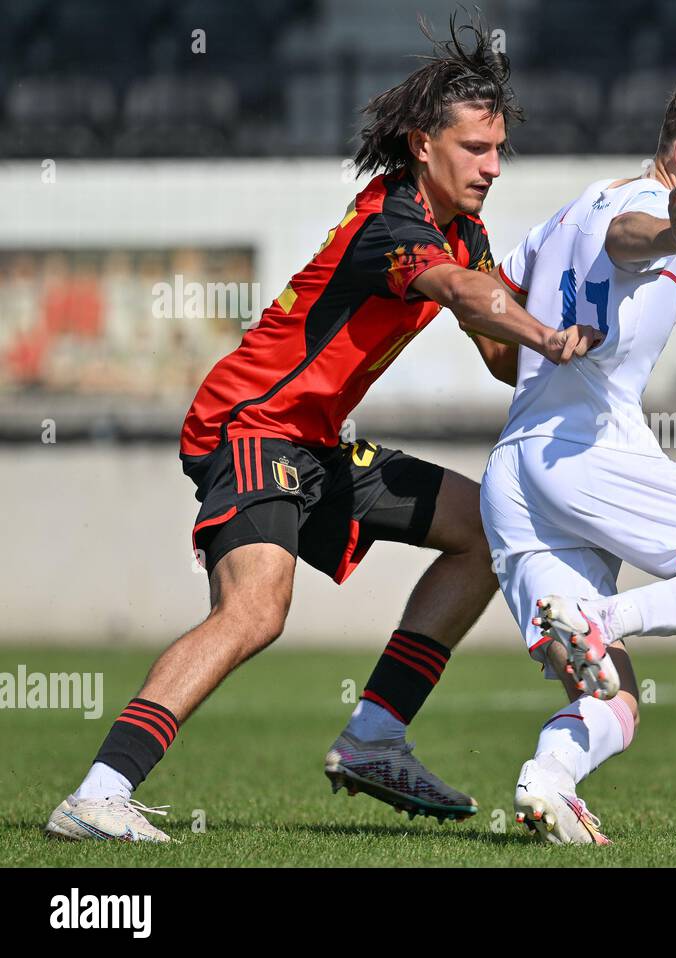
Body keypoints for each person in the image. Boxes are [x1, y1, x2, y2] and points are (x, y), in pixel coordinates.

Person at [45, 19, 600, 843]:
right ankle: (97, 792)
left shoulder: (463, 231)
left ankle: (375, 733)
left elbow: (493, 351)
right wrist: (548, 334)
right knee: (254, 613)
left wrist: (586, 377)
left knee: (488, 528)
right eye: (476, 147)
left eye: (498, 150)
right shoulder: (394, 223)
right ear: (422, 144)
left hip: (314, 443)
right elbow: (468, 298)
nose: (491, 166)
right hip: (250, 427)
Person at [470, 63, 676, 844]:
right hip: (589, 452)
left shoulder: (574, 208)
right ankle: (598, 617)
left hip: (517, 469)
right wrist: (671, 233)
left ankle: (547, 782)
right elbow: (633, 241)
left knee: (612, 697)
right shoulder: (646, 213)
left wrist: (524, 359)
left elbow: (491, 301)